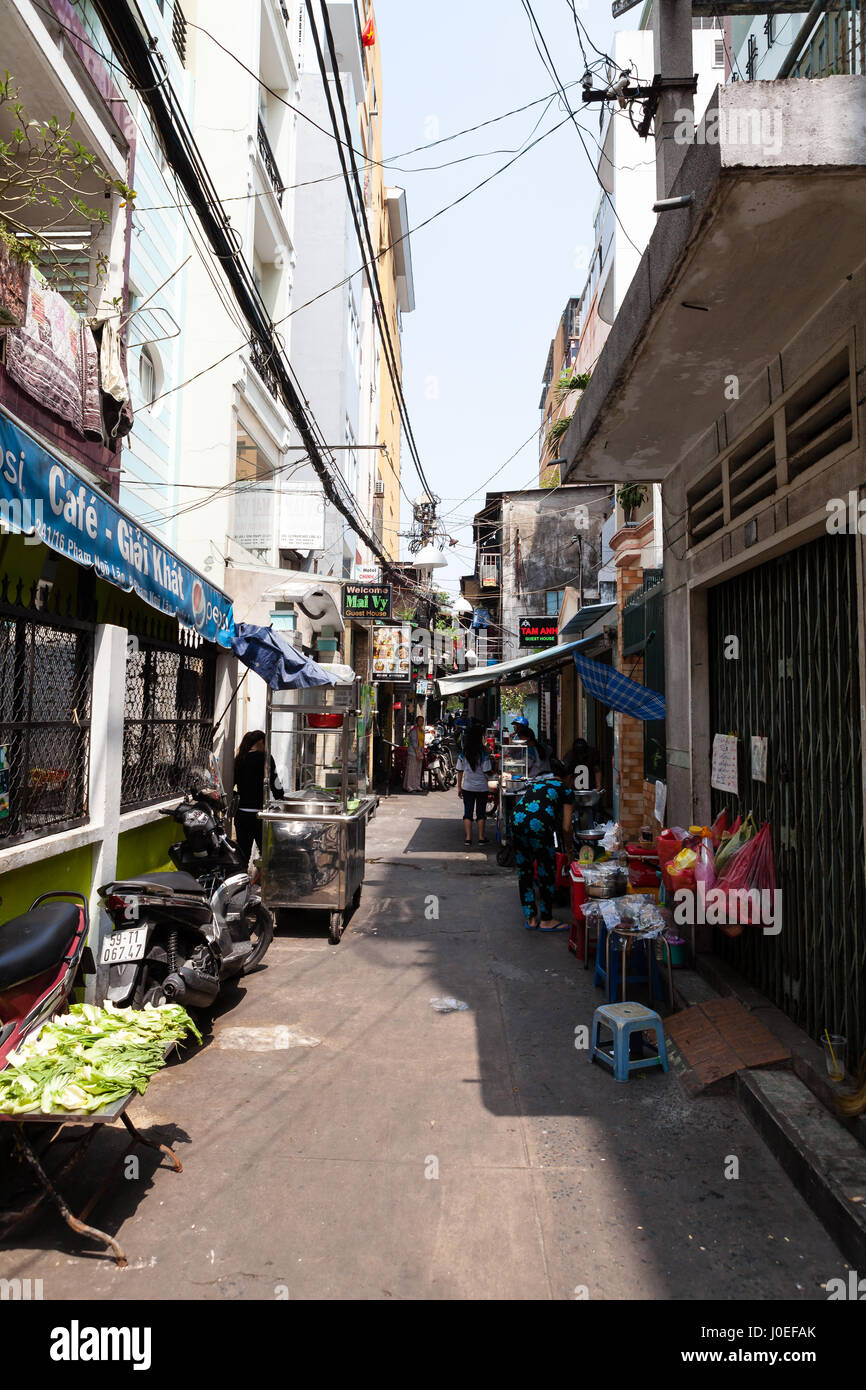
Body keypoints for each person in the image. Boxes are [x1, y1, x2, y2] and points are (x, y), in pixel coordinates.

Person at [511, 756, 576, 930]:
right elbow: (567, 827)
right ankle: (547, 920)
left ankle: (531, 918)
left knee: (524, 871)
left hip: (517, 820)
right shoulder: (566, 790)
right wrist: (570, 851)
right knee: (546, 870)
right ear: (569, 777)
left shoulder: (539, 784)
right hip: (538, 826)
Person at [233, 730, 282, 868]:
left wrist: (238, 797)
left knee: (243, 854)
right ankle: (267, 883)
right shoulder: (266, 758)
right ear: (260, 742)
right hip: (260, 815)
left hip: (242, 814)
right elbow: (275, 784)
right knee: (267, 853)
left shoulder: (239, 759)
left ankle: (242, 881)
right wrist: (281, 798)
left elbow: (230, 784)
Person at [456, 725, 492, 846]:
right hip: (482, 787)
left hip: (467, 787)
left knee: (468, 812)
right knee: (481, 813)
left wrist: (459, 787)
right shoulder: (484, 753)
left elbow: (459, 771)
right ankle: (481, 838)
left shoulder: (463, 754)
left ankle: (468, 838)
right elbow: (487, 772)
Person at [403, 714, 426, 793]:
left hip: (420, 752)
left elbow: (422, 743)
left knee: (418, 770)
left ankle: (416, 785)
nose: (421, 722)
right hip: (413, 752)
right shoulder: (414, 730)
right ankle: (409, 786)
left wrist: (421, 752)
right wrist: (417, 753)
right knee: (411, 770)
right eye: (420, 721)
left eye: (422, 721)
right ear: (417, 722)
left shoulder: (422, 731)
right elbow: (414, 743)